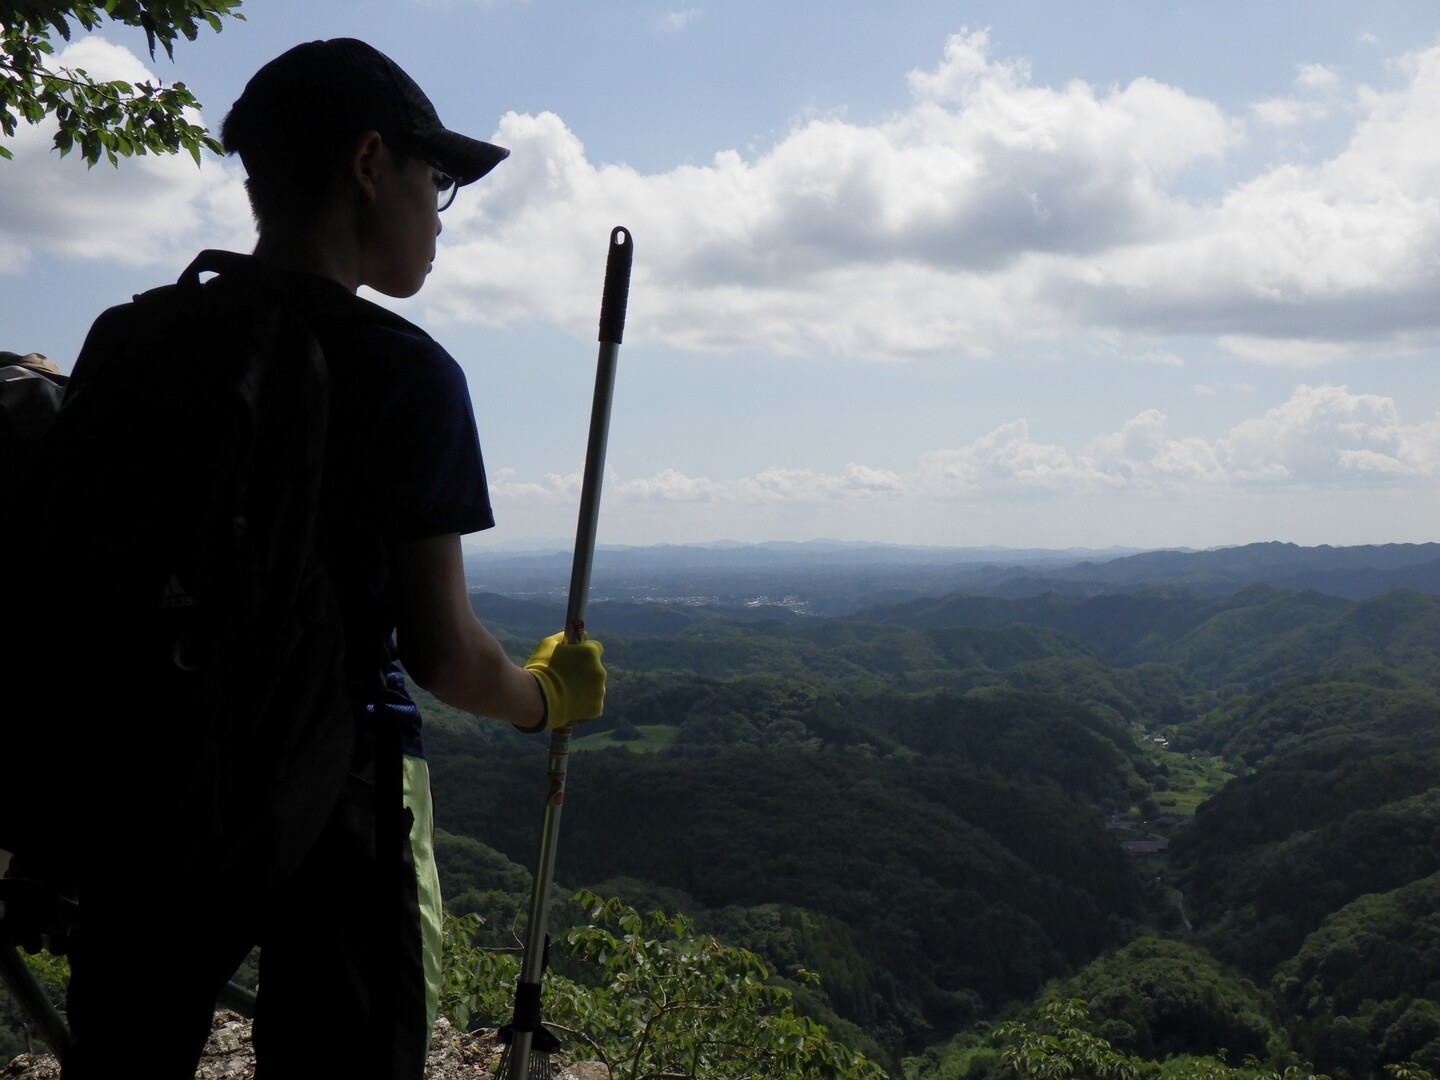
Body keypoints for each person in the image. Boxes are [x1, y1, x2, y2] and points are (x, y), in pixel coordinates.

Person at [54, 38, 608, 1079]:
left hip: (138, 786)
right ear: (368, 164)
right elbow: (443, 655)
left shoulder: (134, 337)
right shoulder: (406, 373)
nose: (438, 215)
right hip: (332, 800)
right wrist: (547, 699)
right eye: (434, 178)